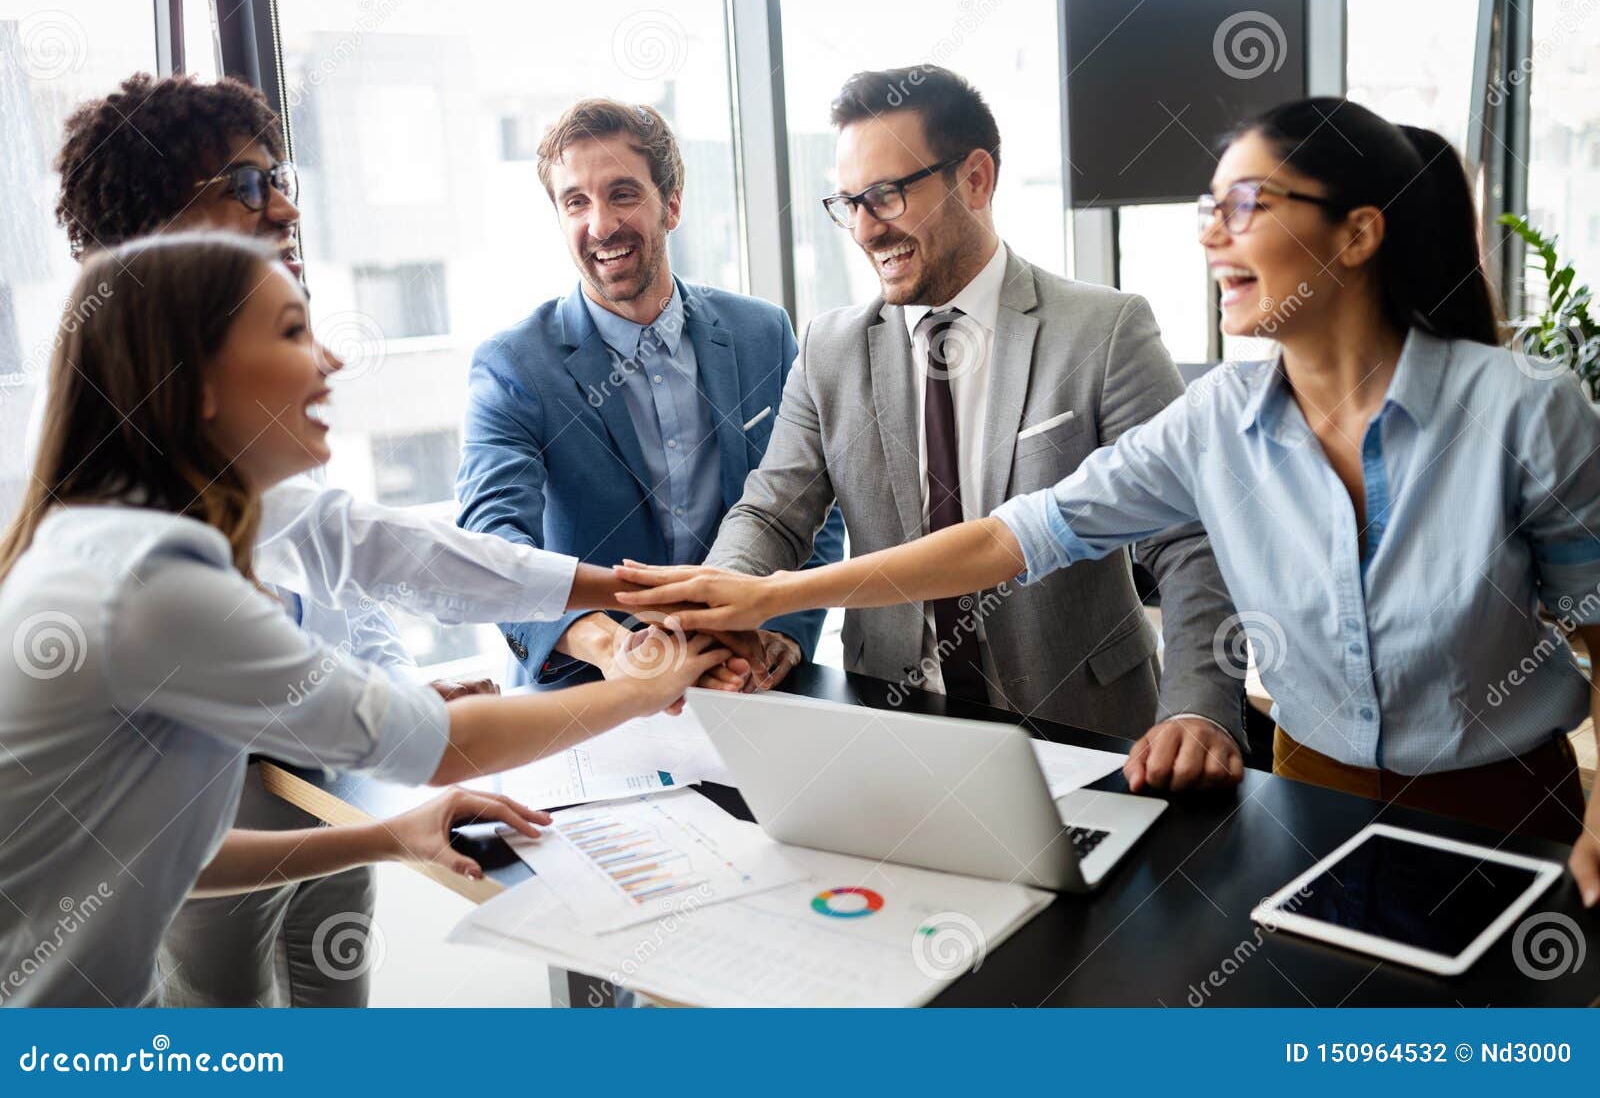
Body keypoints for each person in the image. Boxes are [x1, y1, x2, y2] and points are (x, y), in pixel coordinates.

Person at [613, 98, 1600, 897]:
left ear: (1356, 234)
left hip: (1504, 800)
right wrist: (764, 595)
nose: (1213, 234)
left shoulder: (1526, 415)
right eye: (1208, 208)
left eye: (1246, 205)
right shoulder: (1218, 417)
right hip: (1306, 796)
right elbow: (1010, 537)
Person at [49, 72, 718, 1007]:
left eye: (277, 174)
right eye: (247, 185)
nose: (283, 203)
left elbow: (352, 557)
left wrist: (608, 589)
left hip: (252, 797)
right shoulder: (154, 504)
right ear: (165, 223)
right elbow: (416, 702)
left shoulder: (182, 438)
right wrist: (641, 679)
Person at [693, 66, 1244, 782]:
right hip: (894, 730)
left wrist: (1197, 707)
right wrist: (722, 601)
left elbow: (1190, 539)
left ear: (976, 179)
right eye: (848, 202)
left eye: (886, 195)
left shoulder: (1104, 330)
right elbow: (773, 512)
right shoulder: (828, 347)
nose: (864, 228)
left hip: (1087, 737)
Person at [455, 98, 844, 694]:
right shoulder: (515, 367)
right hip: (589, 690)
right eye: (576, 202)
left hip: (750, 680)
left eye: (623, 194)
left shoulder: (763, 333)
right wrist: (613, 646)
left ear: (672, 204)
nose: (602, 225)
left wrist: (783, 633)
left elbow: (816, 499)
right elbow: (492, 543)